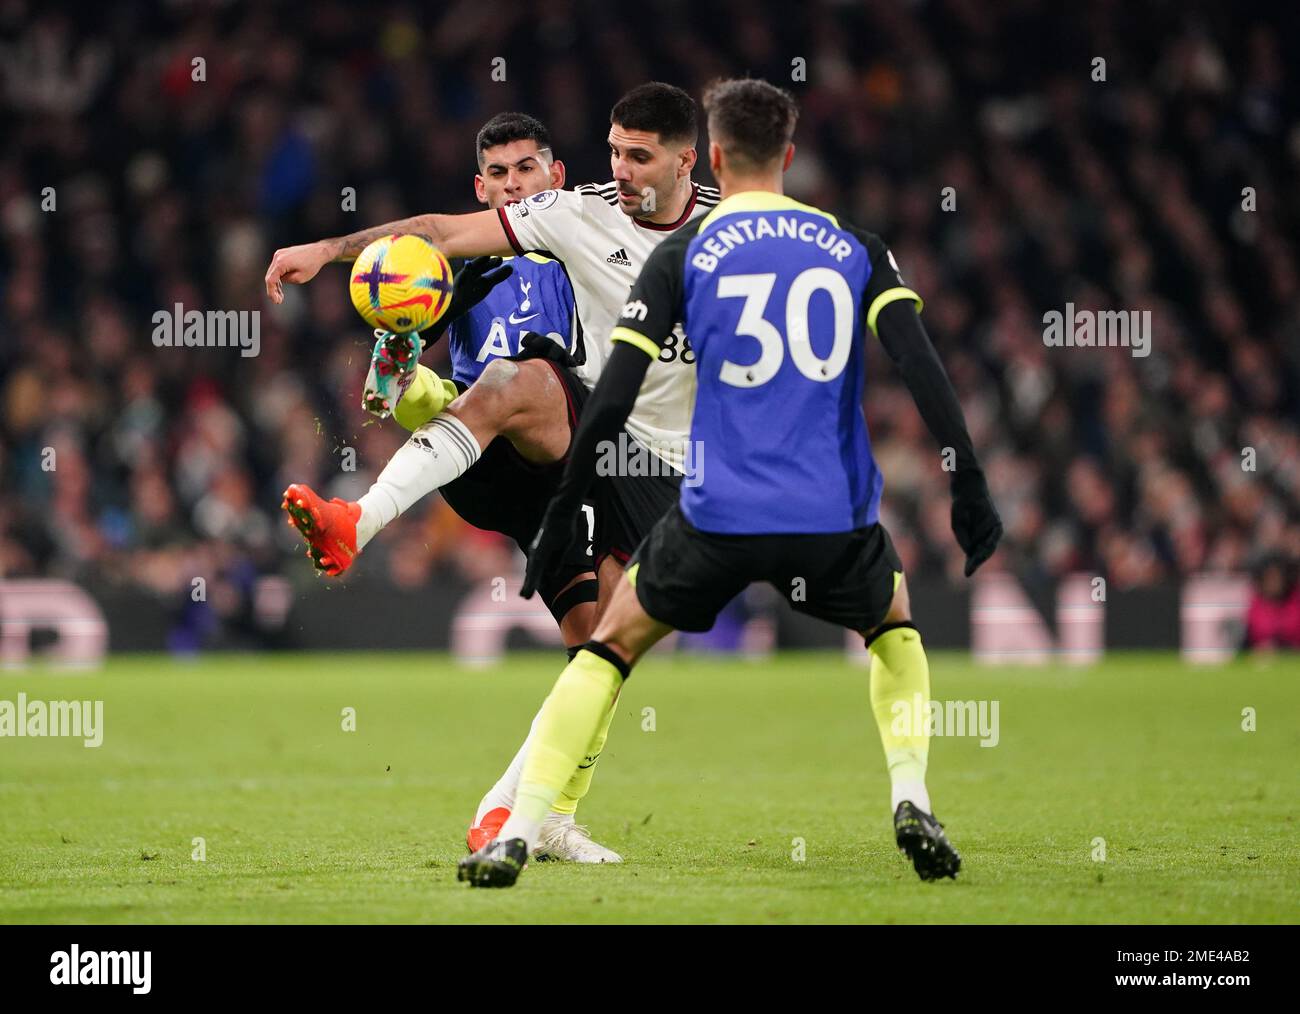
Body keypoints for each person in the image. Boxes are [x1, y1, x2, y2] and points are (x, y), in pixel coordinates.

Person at [457, 78, 1003, 889]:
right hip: (829, 505)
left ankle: (518, 830)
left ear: (709, 156)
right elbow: (919, 362)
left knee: (606, 651)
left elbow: (613, 394)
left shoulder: (686, 252)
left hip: (715, 503)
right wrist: (968, 479)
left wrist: (569, 500)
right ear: (788, 155)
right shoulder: (854, 243)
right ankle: (912, 794)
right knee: (894, 629)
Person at [265, 84, 720, 860]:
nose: (515, 184)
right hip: (516, 445)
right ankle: (359, 520)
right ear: (484, 185)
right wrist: (335, 257)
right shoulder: (523, 241)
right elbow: (432, 246)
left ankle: (527, 815)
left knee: (604, 647)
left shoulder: (705, 224)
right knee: (513, 378)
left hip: (622, 458)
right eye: (615, 154)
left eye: (527, 168)